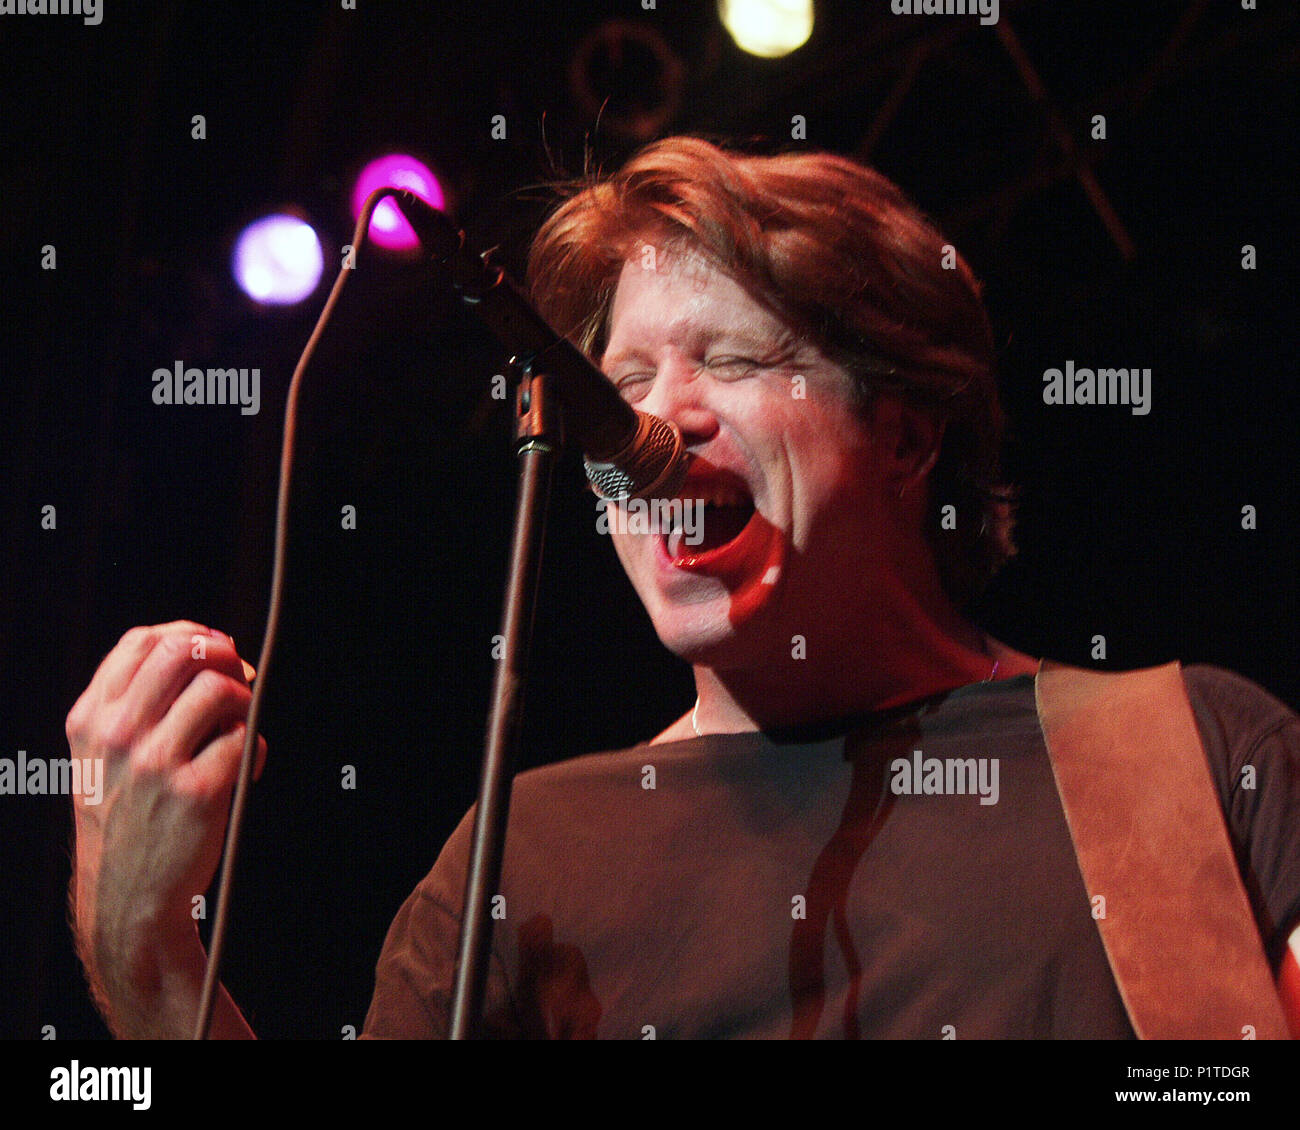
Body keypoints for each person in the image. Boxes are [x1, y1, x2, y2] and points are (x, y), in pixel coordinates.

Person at [66, 137, 1300, 1039]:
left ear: (907, 434)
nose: (653, 421)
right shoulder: (525, 856)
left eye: (735, 359)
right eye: (621, 379)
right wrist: (148, 963)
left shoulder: (1189, 748)